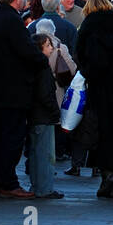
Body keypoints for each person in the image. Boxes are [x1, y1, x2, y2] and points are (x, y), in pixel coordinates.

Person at [0, 0, 47, 199]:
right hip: (12, 91)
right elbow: (26, 50)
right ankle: (8, 182)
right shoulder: (11, 20)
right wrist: (42, 59)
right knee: (12, 137)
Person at [73, 0, 113, 196]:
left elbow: (80, 56)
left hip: (100, 87)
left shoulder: (89, 28)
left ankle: (107, 175)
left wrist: (88, 72)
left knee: (100, 131)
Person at [35, 17, 77, 175]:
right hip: (57, 88)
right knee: (55, 122)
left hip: (37, 89)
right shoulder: (60, 47)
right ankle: (55, 154)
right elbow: (72, 69)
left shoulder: (33, 44)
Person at [26, 34, 64, 199]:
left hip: (35, 115)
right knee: (45, 154)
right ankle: (44, 188)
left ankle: (36, 186)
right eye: (48, 45)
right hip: (43, 115)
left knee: (36, 153)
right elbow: (45, 94)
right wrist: (55, 111)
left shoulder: (33, 66)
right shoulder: (42, 68)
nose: (51, 48)